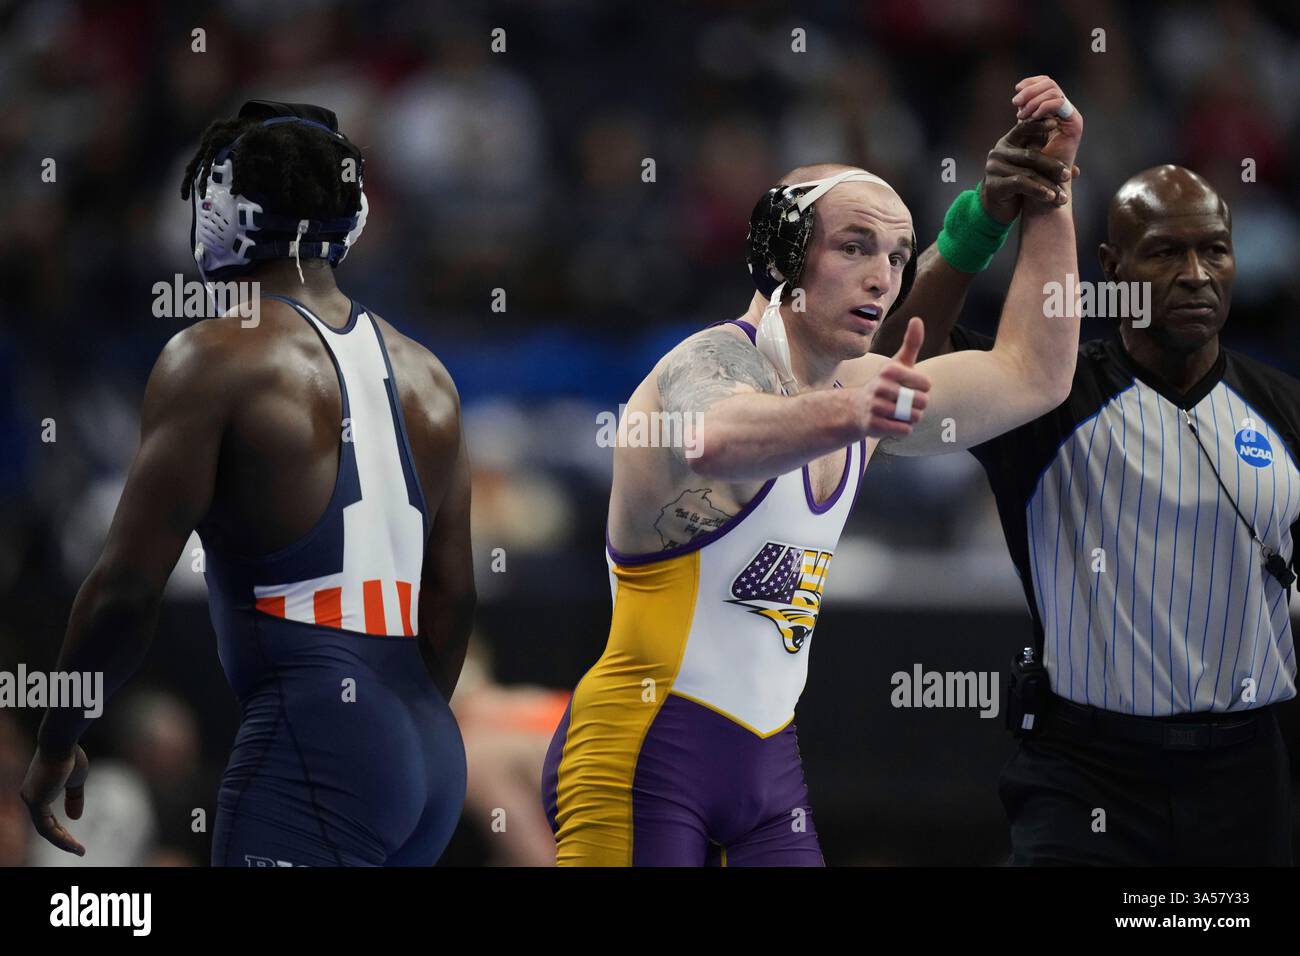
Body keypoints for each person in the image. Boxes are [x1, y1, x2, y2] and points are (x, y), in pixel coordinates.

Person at [542, 77, 1084, 865]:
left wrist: (1053, 194)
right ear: (783, 254)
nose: (882, 279)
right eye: (855, 247)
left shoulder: (855, 391)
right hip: (640, 752)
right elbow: (714, 437)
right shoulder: (709, 359)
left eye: (897, 257)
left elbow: (1037, 375)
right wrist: (851, 414)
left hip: (769, 769)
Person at [21, 101, 476, 867]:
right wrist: (397, 729)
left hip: (317, 741)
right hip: (429, 751)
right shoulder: (430, 376)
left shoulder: (216, 356)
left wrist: (57, 735)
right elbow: (454, 598)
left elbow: (126, 591)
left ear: (222, 210)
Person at [872, 146, 1299, 861]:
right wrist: (980, 223)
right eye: (1165, 253)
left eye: (1214, 251)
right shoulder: (1044, 397)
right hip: (1087, 779)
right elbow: (893, 369)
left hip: (1248, 780)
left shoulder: (1284, 411)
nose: (1195, 276)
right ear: (1111, 266)